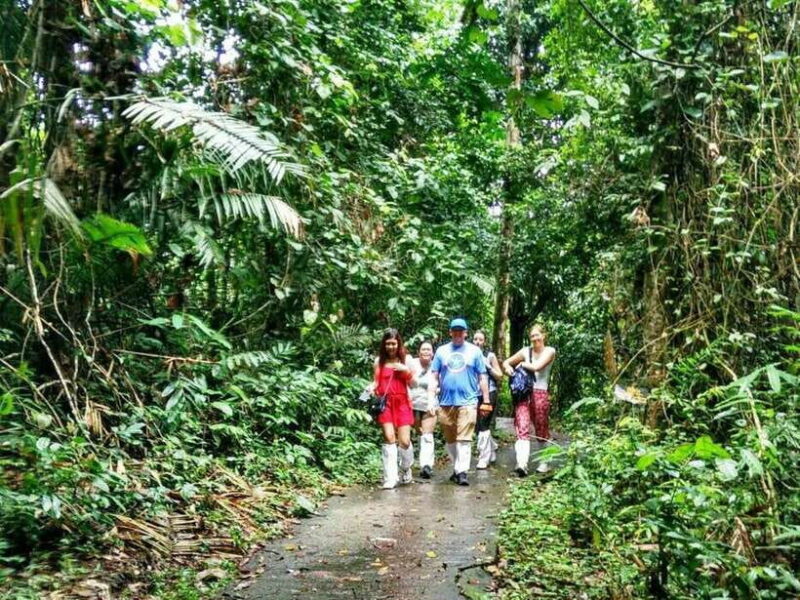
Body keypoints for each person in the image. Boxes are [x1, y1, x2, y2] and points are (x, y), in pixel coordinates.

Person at [428, 318, 489, 486]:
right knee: (450, 439)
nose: (457, 334)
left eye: (461, 331)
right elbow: (433, 377)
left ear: (466, 333)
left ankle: (462, 472)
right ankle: (457, 467)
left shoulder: (475, 351)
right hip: (446, 402)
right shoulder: (441, 351)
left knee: (464, 438)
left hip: (468, 400)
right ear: (450, 332)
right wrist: (431, 399)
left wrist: (486, 400)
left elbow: (482, 377)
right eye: (454, 330)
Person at [502, 324, 556, 476]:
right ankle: (521, 465)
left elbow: (537, 367)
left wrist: (522, 364)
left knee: (541, 428)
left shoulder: (550, 351)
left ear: (544, 335)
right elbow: (506, 362)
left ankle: (544, 463)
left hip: (540, 393)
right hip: (523, 393)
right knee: (522, 426)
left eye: (537, 335)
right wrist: (508, 369)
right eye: (532, 336)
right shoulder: (526, 351)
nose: (534, 338)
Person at [373, 329, 416, 489]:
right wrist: (370, 388)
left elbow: (415, 383)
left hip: (403, 402)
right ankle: (390, 478)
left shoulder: (406, 360)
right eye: (388, 344)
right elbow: (376, 382)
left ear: (398, 344)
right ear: (384, 345)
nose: (391, 347)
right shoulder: (379, 362)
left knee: (404, 441)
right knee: (389, 438)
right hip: (386, 404)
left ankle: (406, 468)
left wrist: (405, 371)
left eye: (393, 343)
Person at [472, 330, 502, 469]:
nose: (478, 342)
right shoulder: (469, 355)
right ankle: (492, 447)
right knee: (477, 427)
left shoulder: (490, 356)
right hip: (473, 394)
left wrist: (488, 366)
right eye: (475, 339)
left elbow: (499, 375)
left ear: (484, 342)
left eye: (480, 340)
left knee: (484, 425)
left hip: (489, 393)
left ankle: (484, 458)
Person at [408, 340, 437, 479]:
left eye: (428, 349)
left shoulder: (437, 365)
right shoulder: (411, 364)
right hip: (411, 404)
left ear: (432, 353)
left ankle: (426, 465)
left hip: (429, 404)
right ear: (419, 352)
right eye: (423, 349)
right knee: (413, 433)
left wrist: (437, 391)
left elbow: (442, 383)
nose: (426, 352)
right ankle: (406, 464)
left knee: (427, 435)